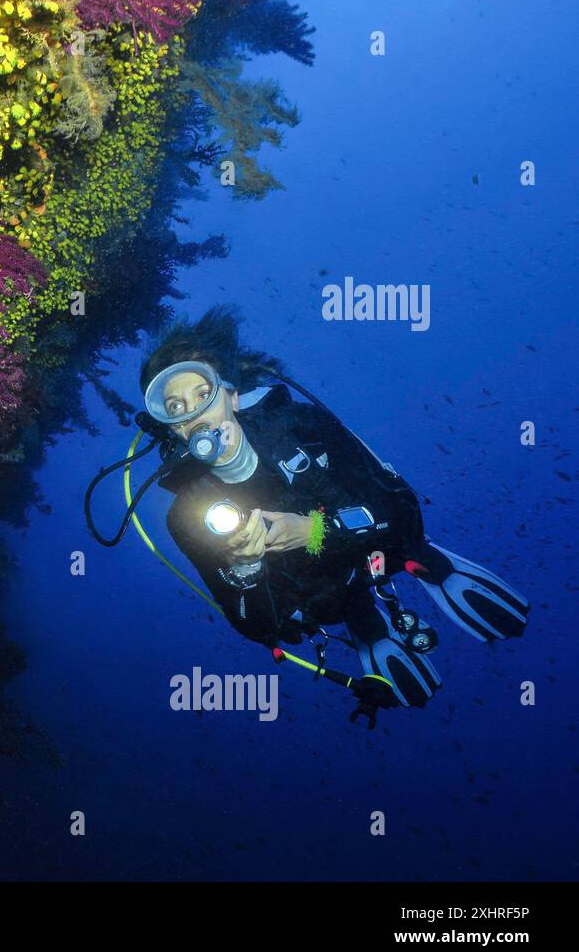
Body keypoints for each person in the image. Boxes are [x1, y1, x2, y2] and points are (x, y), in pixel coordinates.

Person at [138, 307, 528, 724]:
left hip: (379, 545)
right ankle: (365, 621)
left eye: (203, 394)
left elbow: (401, 510)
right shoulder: (186, 516)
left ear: (231, 396)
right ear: (169, 426)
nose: (194, 413)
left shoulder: (304, 427)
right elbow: (257, 627)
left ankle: (426, 563)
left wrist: (313, 530)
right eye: (175, 406)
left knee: (406, 541)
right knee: (337, 604)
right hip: (323, 594)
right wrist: (246, 567)